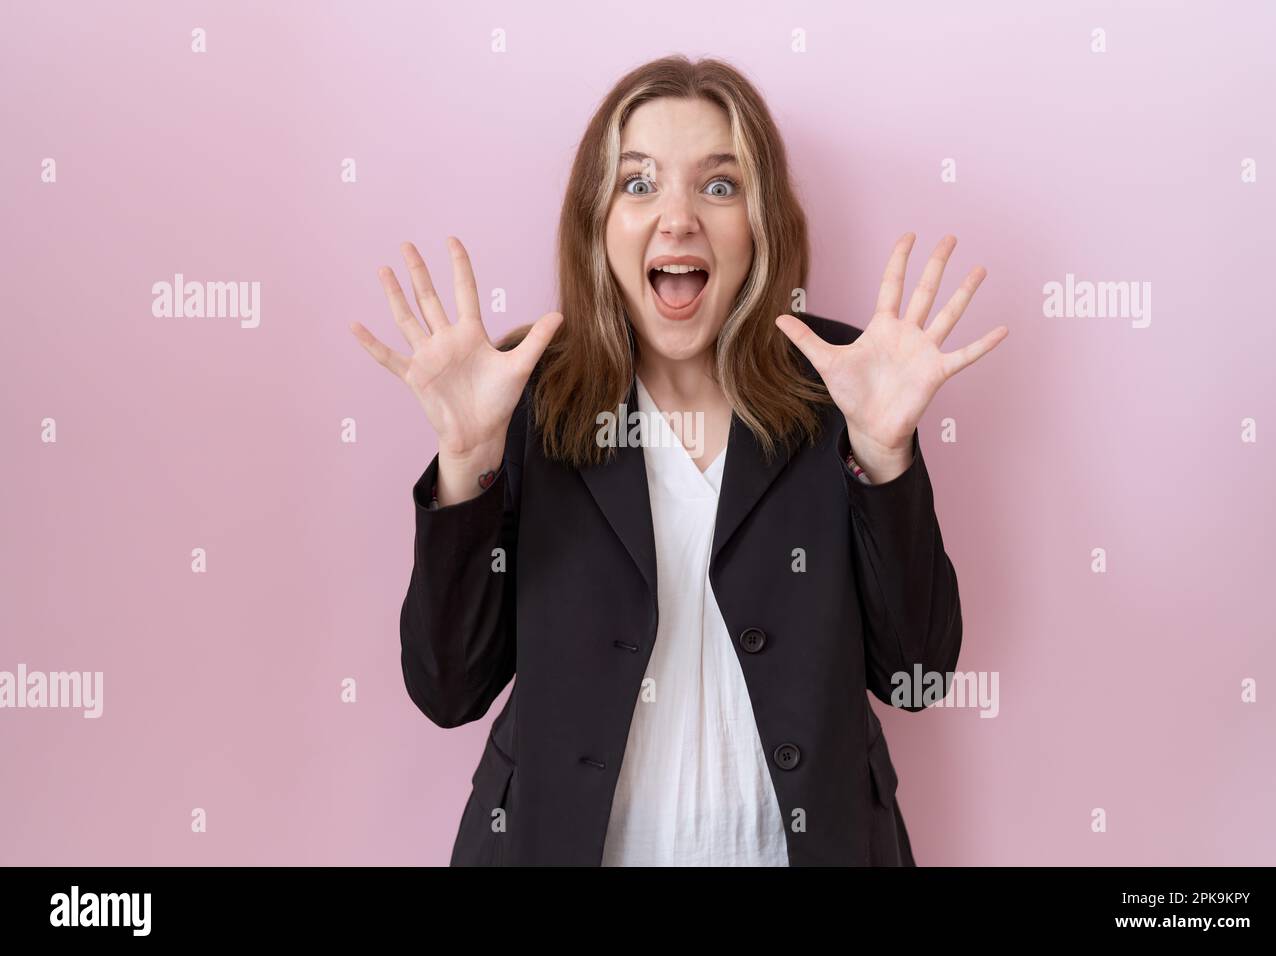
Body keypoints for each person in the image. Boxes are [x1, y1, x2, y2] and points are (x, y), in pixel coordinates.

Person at [349, 54, 1007, 866]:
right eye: (639, 184)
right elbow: (449, 691)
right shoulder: (520, 388)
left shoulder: (845, 379)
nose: (678, 218)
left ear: (762, 225)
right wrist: (468, 461)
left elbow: (918, 674)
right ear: (598, 222)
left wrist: (884, 453)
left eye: (720, 186)